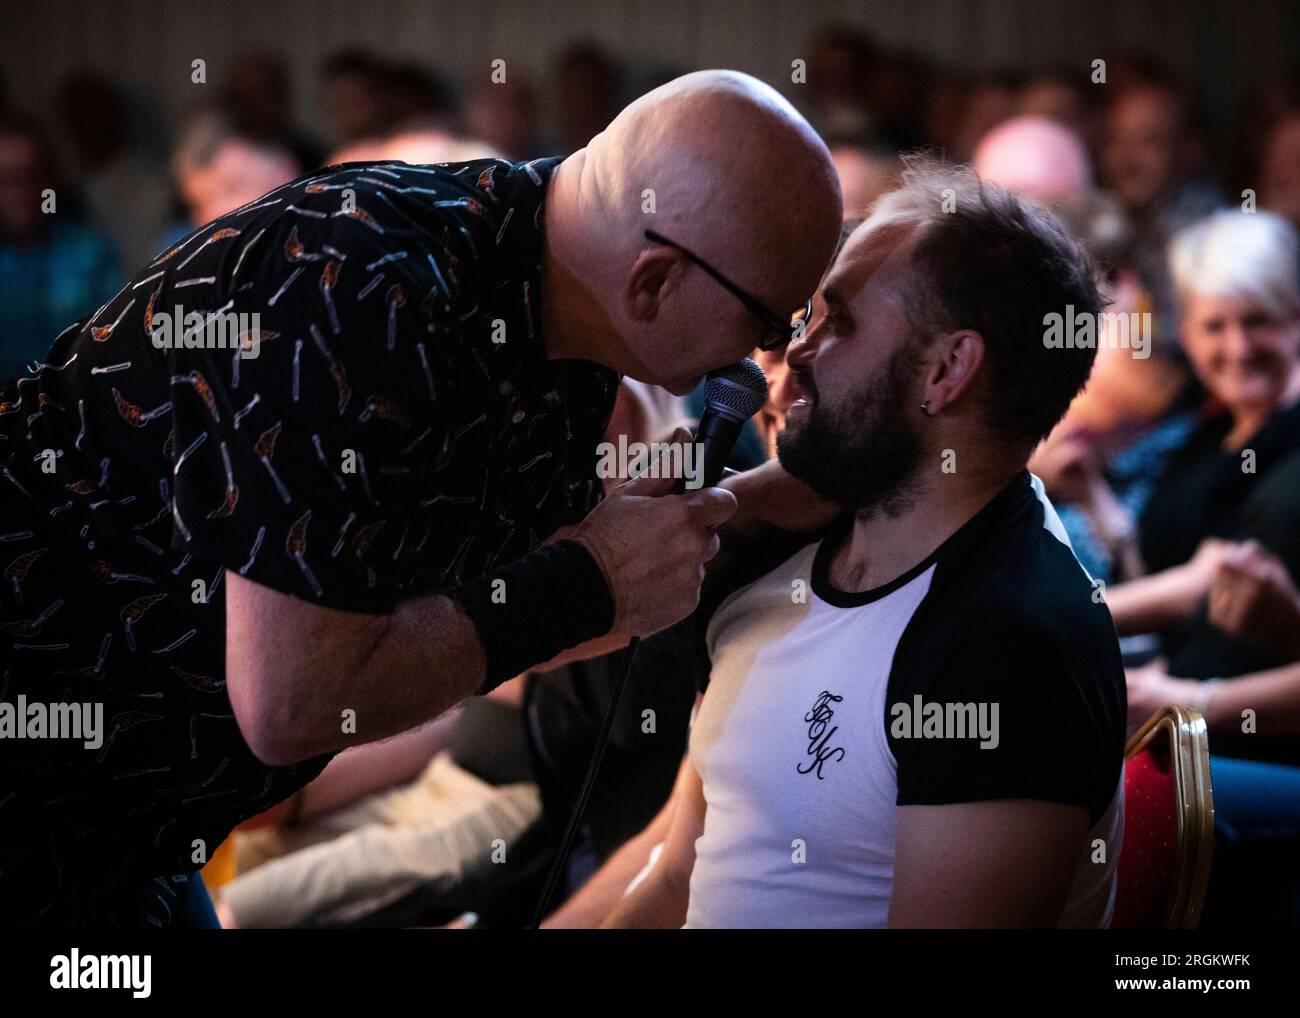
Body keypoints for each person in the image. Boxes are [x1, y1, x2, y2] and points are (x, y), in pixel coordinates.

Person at [0, 69, 843, 927]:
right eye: (773, 320)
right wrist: (590, 582)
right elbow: (294, 705)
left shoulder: (565, 322)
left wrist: (724, 516)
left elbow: (474, 615)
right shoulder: (361, 288)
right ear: (655, 280)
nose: (766, 356)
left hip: (138, 812)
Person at [604, 158, 1126, 928]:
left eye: (838, 322)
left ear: (947, 369)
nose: (797, 352)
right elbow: (679, 876)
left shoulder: (1011, 643)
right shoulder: (775, 553)